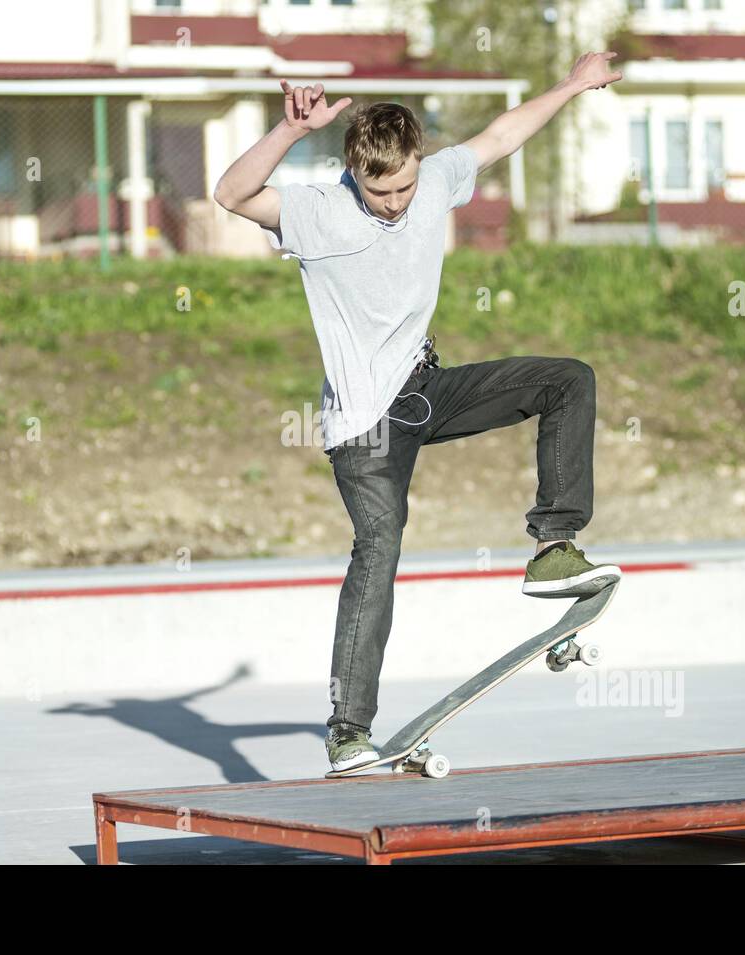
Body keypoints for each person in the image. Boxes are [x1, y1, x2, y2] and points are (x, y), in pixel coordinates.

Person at [213, 53, 626, 773]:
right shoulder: (317, 210)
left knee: (568, 380)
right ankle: (349, 730)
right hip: (363, 430)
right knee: (379, 551)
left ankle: (553, 548)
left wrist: (571, 83)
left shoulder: (434, 179)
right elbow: (231, 192)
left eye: (405, 185)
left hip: (421, 390)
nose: (397, 202)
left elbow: (500, 136)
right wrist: (286, 130)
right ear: (354, 171)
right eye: (381, 191)